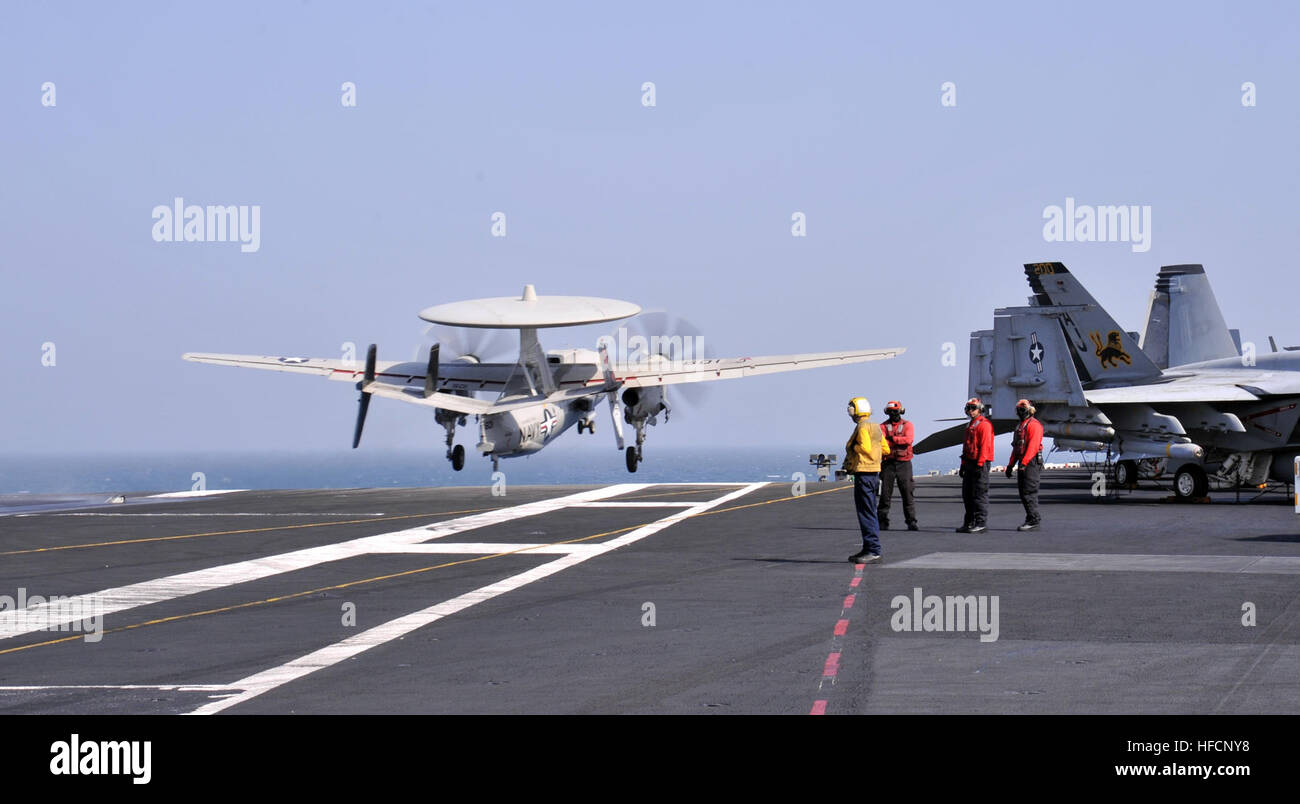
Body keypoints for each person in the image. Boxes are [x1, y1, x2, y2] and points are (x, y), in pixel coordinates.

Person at [842, 397, 890, 564]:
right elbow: (886, 448)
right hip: (874, 472)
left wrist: (854, 446)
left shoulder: (862, 426)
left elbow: (865, 448)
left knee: (865, 512)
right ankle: (869, 547)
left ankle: (873, 549)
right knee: (869, 511)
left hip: (864, 473)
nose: (850, 412)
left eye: (851, 409)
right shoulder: (875, 426)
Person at [878, 400, 919, 531]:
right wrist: (897, 441)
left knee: (907, 493)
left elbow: (908, 440)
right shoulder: (882, 426)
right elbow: (881, 442)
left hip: (904, 463)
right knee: (885, 495)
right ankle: (882, 521)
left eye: (895, 412)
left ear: (900, 411)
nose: (893, 414)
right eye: (890, 412)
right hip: (888, 463)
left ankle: (911, 521)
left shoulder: (908, 425)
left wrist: (892, 439)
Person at [1006, 398, 1044, 531]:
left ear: (1029, 410)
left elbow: (1033, 447)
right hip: (1024, 461)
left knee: (1029, 492)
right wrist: (1011, 465)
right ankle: (1030, 517)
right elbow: (1016, 448)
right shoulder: (1020, 426)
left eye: (1022, 409)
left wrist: (1023, 463)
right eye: (1018, 410)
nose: (1019, 412)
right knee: (1023, 492)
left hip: (1031, 462)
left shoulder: (1034, 425)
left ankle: (1034, 520)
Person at [957, 397, 994, 533]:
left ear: (980, 409)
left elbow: (985, 446)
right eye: (969, 408)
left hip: (980, 464)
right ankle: (969, 522)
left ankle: (981, 523)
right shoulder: (970, 425)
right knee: (967, 495)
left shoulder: (984, 424)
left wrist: (979, 464)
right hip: (969, 463)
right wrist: (963, 465)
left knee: (979, 494)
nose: (970, 411)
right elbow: (966, 447)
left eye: (973, 408)